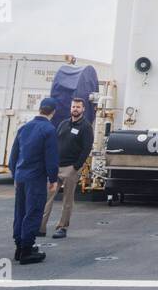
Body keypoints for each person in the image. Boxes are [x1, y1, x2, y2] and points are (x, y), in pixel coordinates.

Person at [9, 97, 59, 264]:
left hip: (21, 175)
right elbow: (50, 157)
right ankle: (27, 249)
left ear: (39, 109)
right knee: (34, 211)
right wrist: (53, 178)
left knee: (20, 212)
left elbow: (13, 156)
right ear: (53, 112)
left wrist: (14, 174)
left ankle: (19, 246)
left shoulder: (24, 128)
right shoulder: (49, 130)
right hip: (36, 177)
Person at [41, 96, 94, 240]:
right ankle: (41, 227)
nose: (75, 109)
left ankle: (62, 227)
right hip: (56, 166)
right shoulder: (63, 124)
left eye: (78, 107)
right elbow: (55, 143)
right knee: (47, 197)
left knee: (67, 200)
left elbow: (86, 148)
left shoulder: (86, 127)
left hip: (71, 168)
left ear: (83, 109)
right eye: (73, 107)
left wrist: (76, 166)